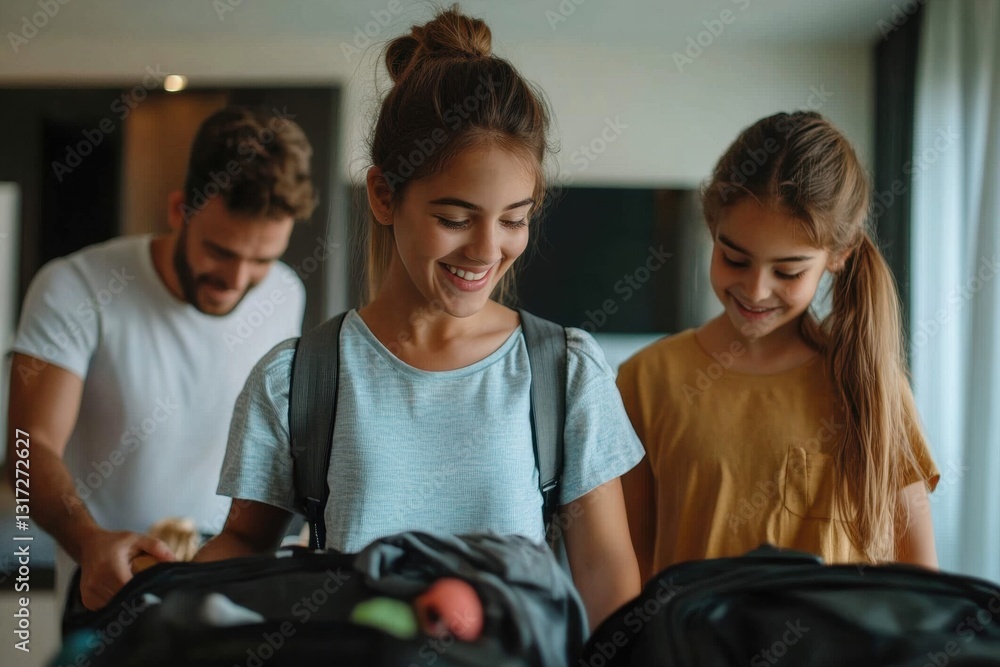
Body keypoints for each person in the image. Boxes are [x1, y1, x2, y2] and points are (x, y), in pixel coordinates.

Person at [194, 7, 642, 630]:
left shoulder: (564, 373)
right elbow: (244, 544)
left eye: (514, 219)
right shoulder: (297, 378)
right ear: (384, 195)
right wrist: (163, 584)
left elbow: (606, 575)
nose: (487, 251)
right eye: (455, 219)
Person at [5, 106, 317, 611]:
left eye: (262, 259)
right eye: (220, 251)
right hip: (108, 588)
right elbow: (29, 447)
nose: (237, 281)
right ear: (179, 211)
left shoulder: (285, 293)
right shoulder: (75, 286)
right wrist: (88, 541)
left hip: (228, 590)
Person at [617, 111, 940, 583]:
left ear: (839, 256)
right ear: (711, 227)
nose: (756, 290)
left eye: (787, 272)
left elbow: (920, 580)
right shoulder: (645, 380)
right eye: (735, 259)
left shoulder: (874, 387)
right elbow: (625, 573)